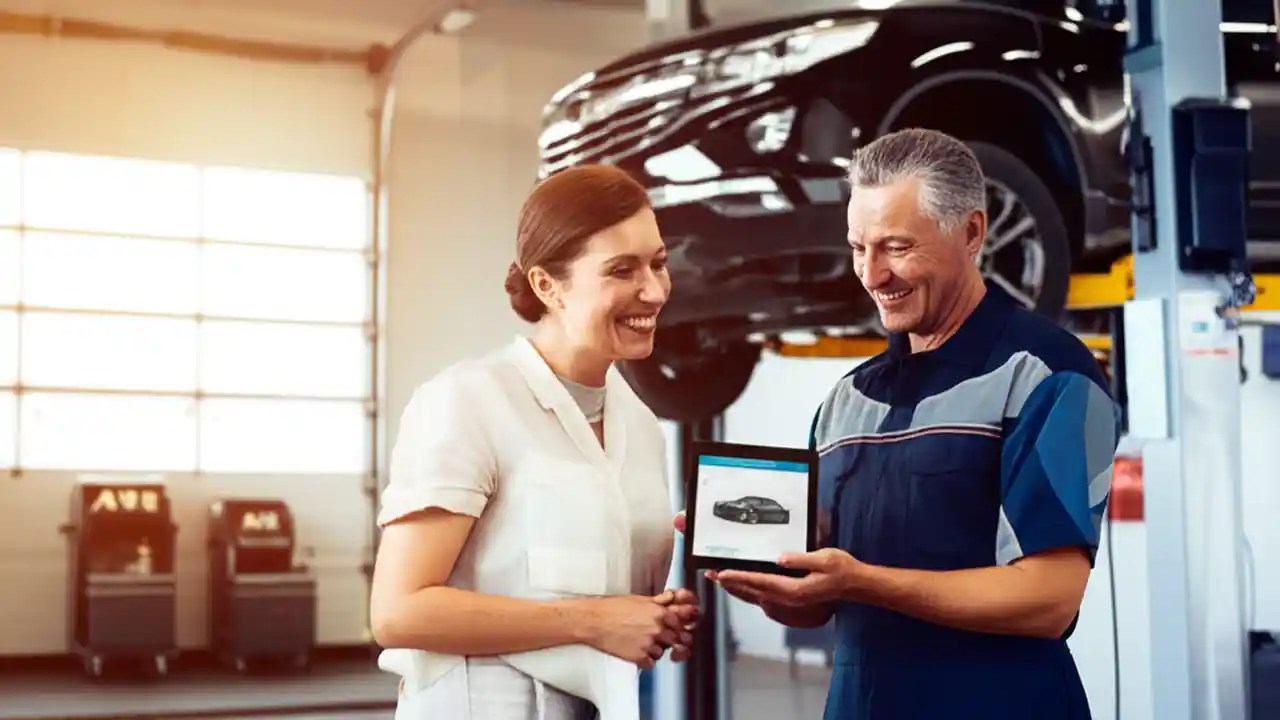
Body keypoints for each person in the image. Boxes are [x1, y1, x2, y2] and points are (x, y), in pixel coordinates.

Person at [696, 128, 1121, 719]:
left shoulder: (1047, 374)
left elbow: (1049, 600)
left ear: (971, 232)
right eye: (858, 248)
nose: (872, 275)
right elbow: (817, 608)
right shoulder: (846, 401)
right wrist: (772, 584)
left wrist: (861, 580)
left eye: (896, 247)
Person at [370, 164, 698, 720]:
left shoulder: (642, 426)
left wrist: (658, 616)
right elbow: (398, 612)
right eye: (622, 270)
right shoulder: (468, 401)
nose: (653, 290)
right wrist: (595, 620)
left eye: (658, 263)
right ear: (547, 285)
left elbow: (615, 605)